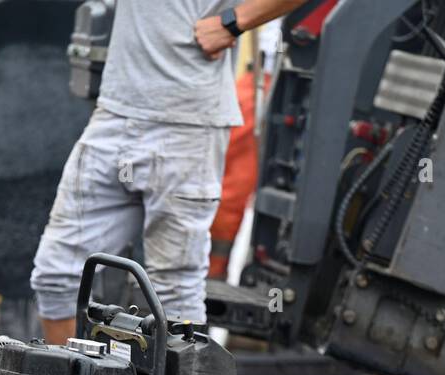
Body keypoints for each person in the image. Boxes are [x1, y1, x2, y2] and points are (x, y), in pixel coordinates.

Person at [30, 0, 312, 346]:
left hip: (187, 125)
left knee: (174, 296)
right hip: (115, 112)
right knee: (56, 277)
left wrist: (232, 22)